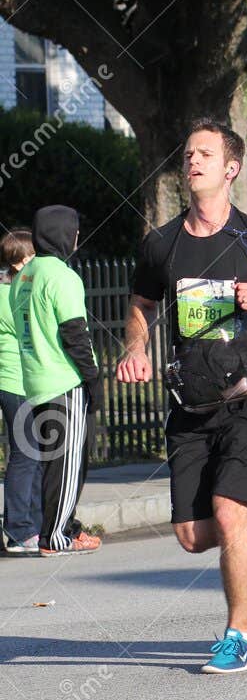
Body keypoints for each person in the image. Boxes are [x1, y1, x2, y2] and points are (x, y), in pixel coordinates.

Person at [115, 121, 247, 670]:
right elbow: (141, 304)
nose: (192, 161)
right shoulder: (163, 244)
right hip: (190, 405)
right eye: (187, 154)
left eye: (204, 153)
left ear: (231, 168)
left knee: (226, 513)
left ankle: (239, 638)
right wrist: (137, 347)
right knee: (194, 536)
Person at [12, 207, 102, 556]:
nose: (77, 237)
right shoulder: (62, 276)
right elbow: (75, 334)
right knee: (69, 463)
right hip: (65, 379)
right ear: (64, 234)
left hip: (35, 378)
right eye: (75, 231)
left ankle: (65, 527)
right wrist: (93, 380)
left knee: (55, 461)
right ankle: (56, 536)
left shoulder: (27, 274)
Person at [1, 229, 43, 554]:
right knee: (26, 454)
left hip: (19, 380)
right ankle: (19, 530)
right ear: (21, 259)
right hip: (17, 380)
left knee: (35, 453)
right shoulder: (13, 294)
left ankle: (35, 526)